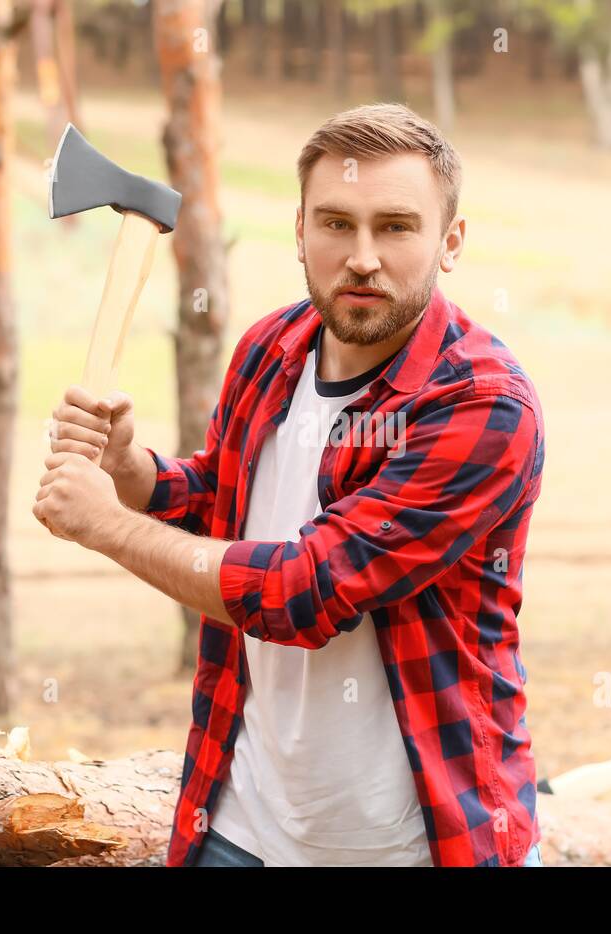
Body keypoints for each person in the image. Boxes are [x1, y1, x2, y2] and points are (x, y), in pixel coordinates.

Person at [33, 103, 546, 867]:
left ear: (451, 243)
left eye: (396, 227)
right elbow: (229, 498)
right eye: (336, 224)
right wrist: (133, 473)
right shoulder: (271, 347)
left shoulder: (483, 406)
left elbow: (304, 589)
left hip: (416, 841)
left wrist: (106, 526)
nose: (363, 257)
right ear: (299, 230)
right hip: (241, 823)